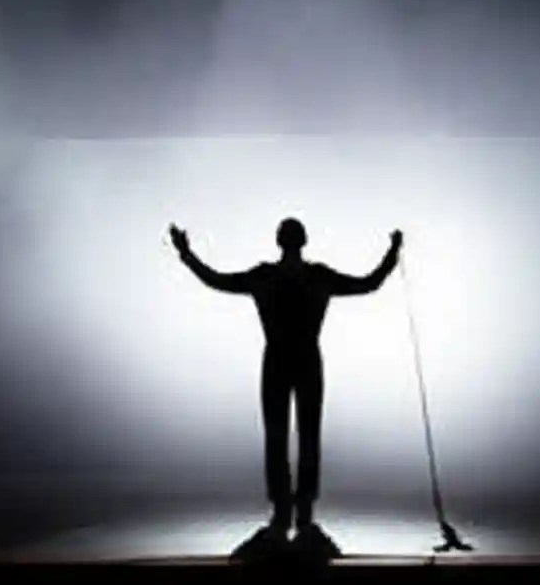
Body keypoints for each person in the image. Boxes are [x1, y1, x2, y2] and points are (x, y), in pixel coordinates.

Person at [169, 218, 401, 537]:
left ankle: (287, 508)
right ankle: (299, 508)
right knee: (303, 436)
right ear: (303, 240)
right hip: (302, 360)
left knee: (281, 437)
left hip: (281, 361)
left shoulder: (267, 277)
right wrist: (392, 253)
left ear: (279, 241)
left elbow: (216, 279)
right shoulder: (315, 277)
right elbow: (369, 283)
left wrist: (186, 254)